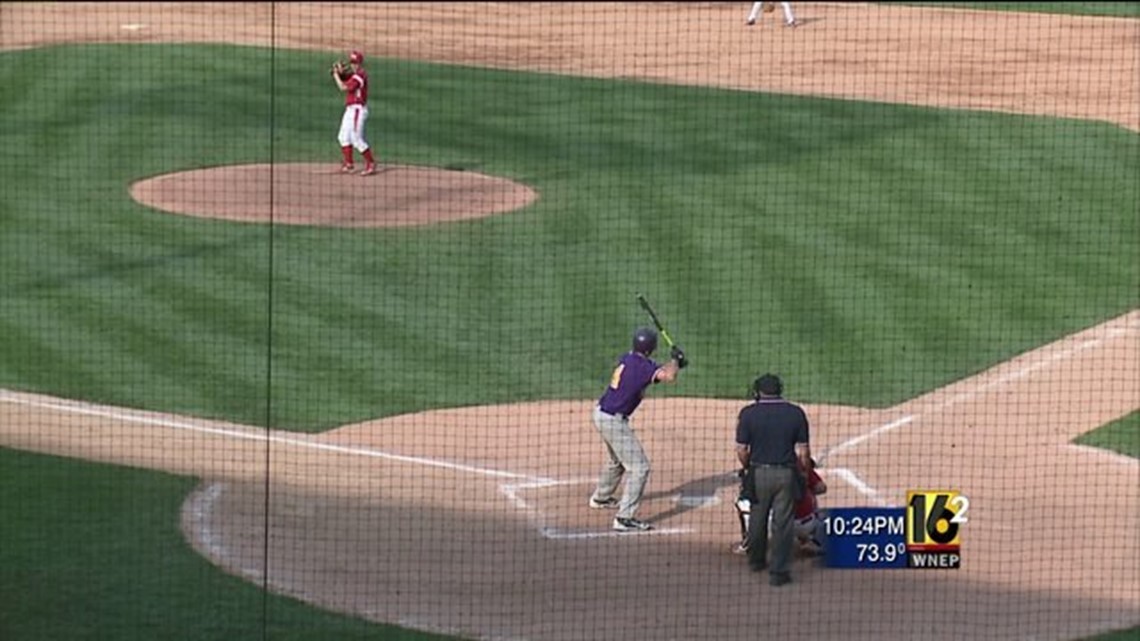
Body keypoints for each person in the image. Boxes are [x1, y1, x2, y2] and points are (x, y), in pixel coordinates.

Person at [589, 327, 687, 531]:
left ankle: (601, 498)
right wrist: (676, 361)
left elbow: (659, 373)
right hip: (613, 421)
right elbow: (668, 376)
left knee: (617, 461)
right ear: (651, 348)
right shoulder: (644, 367)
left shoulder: (629, 359)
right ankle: (624, 518)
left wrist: (674, 364)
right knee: (640, 467)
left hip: (601, 413)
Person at [734, 373, 812, 586]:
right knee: (783, 523)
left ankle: (756, 561)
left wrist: (748, 465)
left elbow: (741, 449)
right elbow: (804, 452)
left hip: (759, 474)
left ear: (758, 392)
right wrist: (804, 473)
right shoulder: (795, 413)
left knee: (757, 519)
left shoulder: (748, 414)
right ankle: (779, 573)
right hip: (786, 474)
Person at [733, 456, 826, 556]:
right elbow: (822, 488)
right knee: (811, 496)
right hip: (807, 525)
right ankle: (807, 539)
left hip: (776, 525)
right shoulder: (800, 463)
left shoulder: (762, 465)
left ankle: (750, 544)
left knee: (741, 502)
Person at [331, 50, 377, 176]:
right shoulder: (354, 75)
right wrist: (340, 73)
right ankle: (349, 164)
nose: (353, 65)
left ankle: (371, 163)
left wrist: (336, 75)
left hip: (358, 110)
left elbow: (343, 87)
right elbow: (346, 78)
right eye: (352, 62)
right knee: (343, 137)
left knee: (356, 139)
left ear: (360, 63)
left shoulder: (360, 75)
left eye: (355, 62)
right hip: (350, 110)